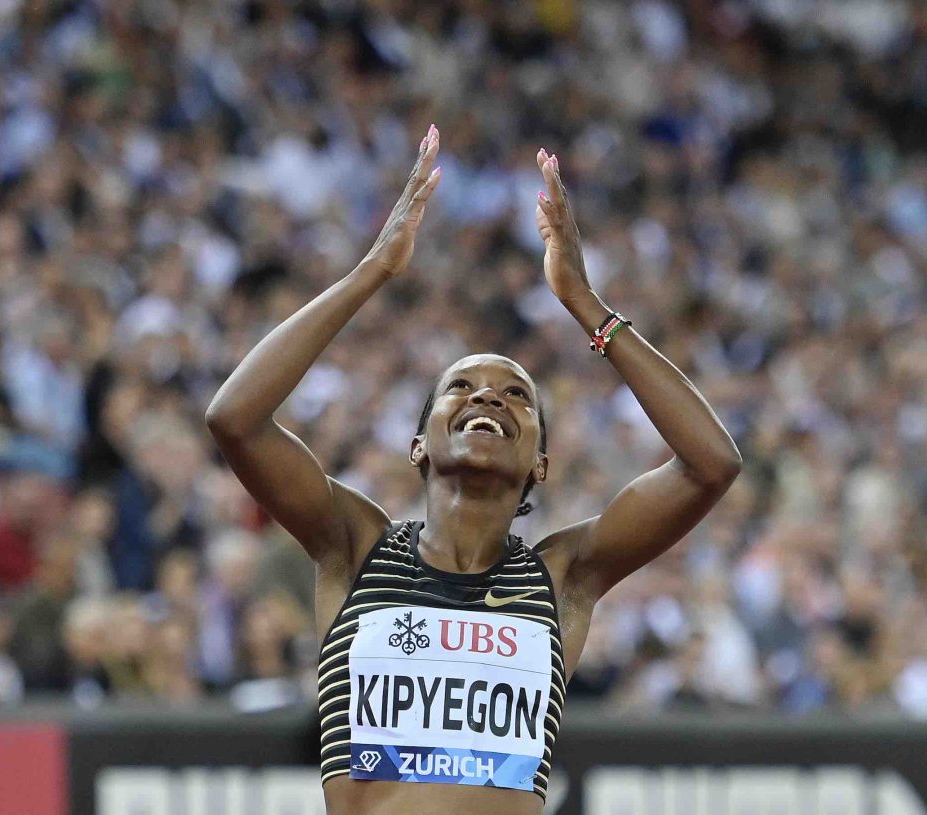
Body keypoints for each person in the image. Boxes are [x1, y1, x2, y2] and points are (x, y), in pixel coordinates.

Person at [206, 125, 741, 815]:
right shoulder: (355, 545)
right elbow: (235, 419)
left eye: (519, 394)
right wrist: (373, 269)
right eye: (459, 388)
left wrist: (585, 303)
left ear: (541, 463)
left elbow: (711, 463)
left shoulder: (562, 575)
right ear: (419, 444)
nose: (489, 394)